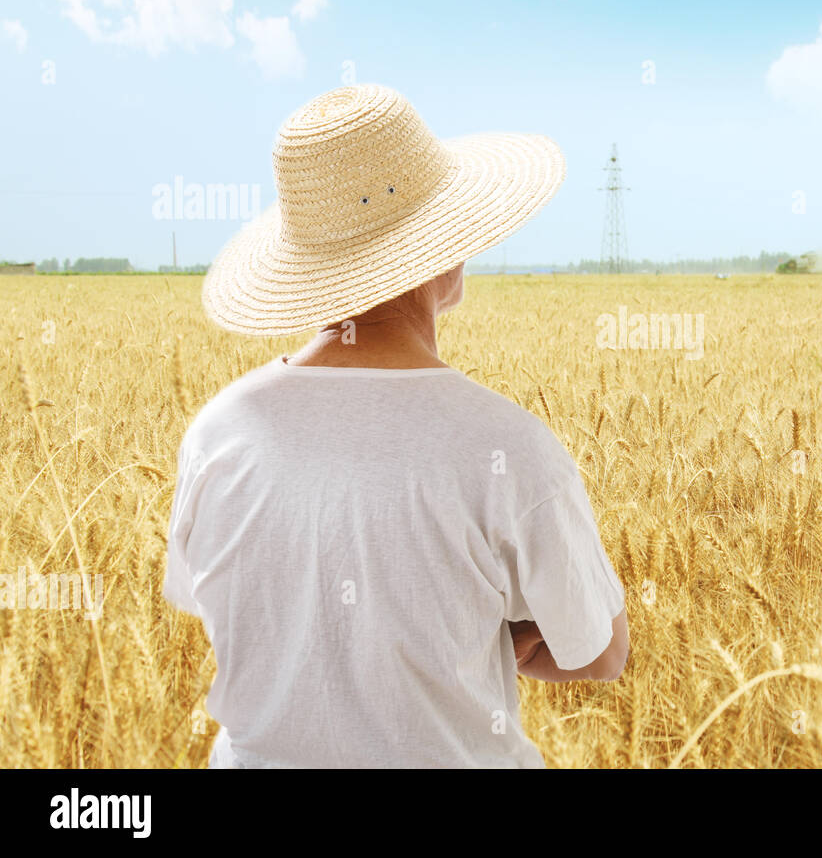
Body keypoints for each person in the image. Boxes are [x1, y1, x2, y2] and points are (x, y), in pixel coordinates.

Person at [164, 84, 628, 768]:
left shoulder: (218, 430)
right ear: (440, 249)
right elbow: (600, 651)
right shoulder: (510, 447)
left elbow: (222, 606)